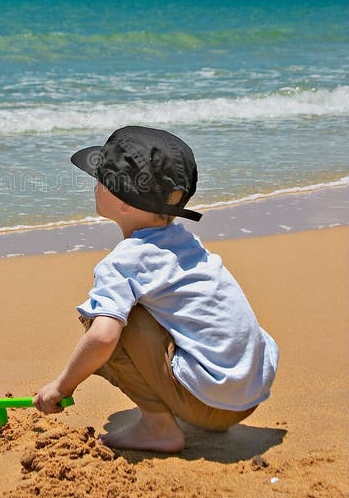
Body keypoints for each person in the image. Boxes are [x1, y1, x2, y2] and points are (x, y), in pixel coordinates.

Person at [33, 126, 279, 453]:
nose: (94, 184)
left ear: (123, 201)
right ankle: (194, 396)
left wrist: (60, 386)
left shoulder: (123, 262)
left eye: (101, 178)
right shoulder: (185, 242)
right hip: (250, 394)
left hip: (214, 405)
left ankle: (158, 427)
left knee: (105, 319)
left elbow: (103, 337)